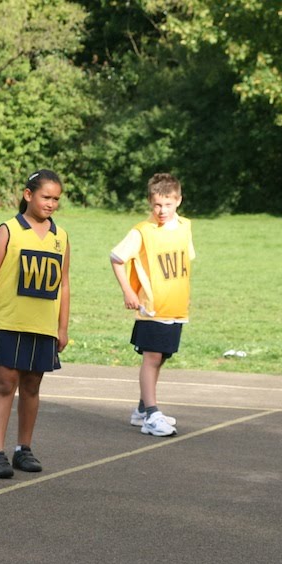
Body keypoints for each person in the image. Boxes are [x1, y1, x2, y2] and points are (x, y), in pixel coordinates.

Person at [0, 169, 71, 478]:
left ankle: (23, 449)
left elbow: (64, 285)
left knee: (31, 386)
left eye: (56, 199)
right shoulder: (8, 231)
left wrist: (62, 327)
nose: (51, 203)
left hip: (42, 326)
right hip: (9, 323)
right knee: (4, 385)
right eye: (45, 197)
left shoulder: (61, 237)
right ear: (28, 195)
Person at [109, 173, 195, 437]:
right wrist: (128, 292)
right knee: (152, 357)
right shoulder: (142, 231)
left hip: (176, 306)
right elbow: (116, 258)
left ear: (178, 200)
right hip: (152, 307)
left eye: (168, 204)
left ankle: (142, 410)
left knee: (162, 357)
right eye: (157, 204)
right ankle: (152, 414)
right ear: (150, 202)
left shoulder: (185, 227)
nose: (162, 210)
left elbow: (185, 262)